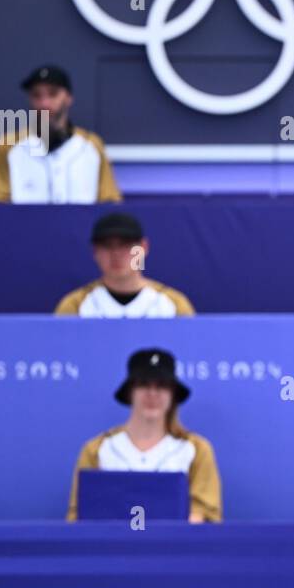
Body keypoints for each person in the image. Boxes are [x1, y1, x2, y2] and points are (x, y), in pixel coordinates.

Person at [67, 348, 221, 522]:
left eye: (161, 385)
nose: (152, 393)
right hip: (110, 547)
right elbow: (78, 516)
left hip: (174, 547)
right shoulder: (97, 449)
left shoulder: (196, 449)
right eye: (143, 384)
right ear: (130, 392)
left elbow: (206, 516)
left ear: (173, 394)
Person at [0, 65, 122, 204]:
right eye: (36, 95)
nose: (44, 103)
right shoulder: (9, 145)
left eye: (53, 94)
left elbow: (110, 203)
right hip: (23, 225)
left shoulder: (92, 145)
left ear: (68, 98)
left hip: (81, 225)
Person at [55, 212, 195, 317]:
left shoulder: (174, 304)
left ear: (143, 248)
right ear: (95, 251)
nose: (116, 254)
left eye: (125, 245)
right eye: (107, 246)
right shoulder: (75, 305)